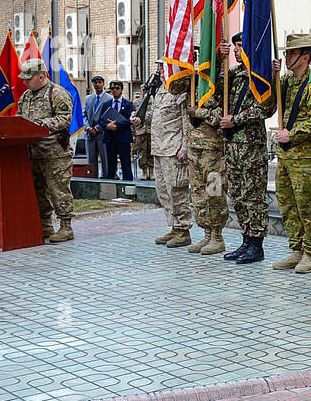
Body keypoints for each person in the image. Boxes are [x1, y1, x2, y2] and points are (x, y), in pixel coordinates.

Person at [215, 32, 277, 264]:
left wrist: (236, 120)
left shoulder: (260, 75)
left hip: (251, 145)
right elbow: (216, 88)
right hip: (233, 146)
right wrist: (218, 60)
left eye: (240, 46)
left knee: (254, 197)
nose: (236, 50)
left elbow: (267, 108)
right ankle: (247, 240)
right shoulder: (234, 74)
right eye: (235, 46)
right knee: (239, 195)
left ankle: (257, 245)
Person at [272, 32, 311, 274]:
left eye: (292, 53)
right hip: (285, 155)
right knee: (287, 204)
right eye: (286, 53)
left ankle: (310, 253)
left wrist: (292, 134)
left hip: (304, 157)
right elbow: (269, 105)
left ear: (305, 57)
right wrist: (271, 77)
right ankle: (296, 248)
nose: (286, 57)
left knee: (307, 205)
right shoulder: (285, 81)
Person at [16, 57, 75, 243]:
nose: (25, 82)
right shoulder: (26, 96)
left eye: (28, 79)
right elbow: (19, 118)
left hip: (55, 154)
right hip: (33, 153)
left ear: (41, 77)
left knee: (59, 190)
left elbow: (65, 118)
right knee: (38, 191)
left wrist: (41, 124)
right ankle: (45, 225)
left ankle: (66, 227)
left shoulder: (57, 93)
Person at [133, 68, 193, 248]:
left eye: (164, 65)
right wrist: (139, 120)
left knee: (177, 191)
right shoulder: (160, 89)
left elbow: (186, 120)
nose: (160, 69)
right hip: (158, 147)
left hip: (173, 149)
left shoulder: (180, 89)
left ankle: (183, 230)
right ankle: (174, 226)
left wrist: (184, 147)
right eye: (159, 66)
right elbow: (157, 116)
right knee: (163, 192)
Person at [187, 51, 229, 256]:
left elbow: (222, 116)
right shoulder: (195, 81)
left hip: (212, 149)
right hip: (194, 147)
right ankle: (206, 233)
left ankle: (217, 237)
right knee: (198, 193)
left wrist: (199, 112)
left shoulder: (221, 81)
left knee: (214, 191)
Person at [97, 80, 135, 181]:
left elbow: (130, 120)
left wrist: (117, 125)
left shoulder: (128, 104)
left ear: (121, 90)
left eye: (117, 88)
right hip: (110, 138)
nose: (115, 90)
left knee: (126, 164)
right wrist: (107, 126)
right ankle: (111, 186)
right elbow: (100, 120)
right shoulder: (106, 104)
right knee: (111, 165)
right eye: (112, 88)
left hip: (123, 138)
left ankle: (128, 185)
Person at [82, 75, 107, 177]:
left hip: (103, 133)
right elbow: (84, 115)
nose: (97, 85)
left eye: (99, 82)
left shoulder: (109, 98)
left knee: (105, 159)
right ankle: (93, 180)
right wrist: (88, 127)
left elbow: (108, 117)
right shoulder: (88, 98)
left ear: (103, 84)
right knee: (91, 161)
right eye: (95, 83)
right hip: (90, 134)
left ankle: (106, 178)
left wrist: (97, 129)